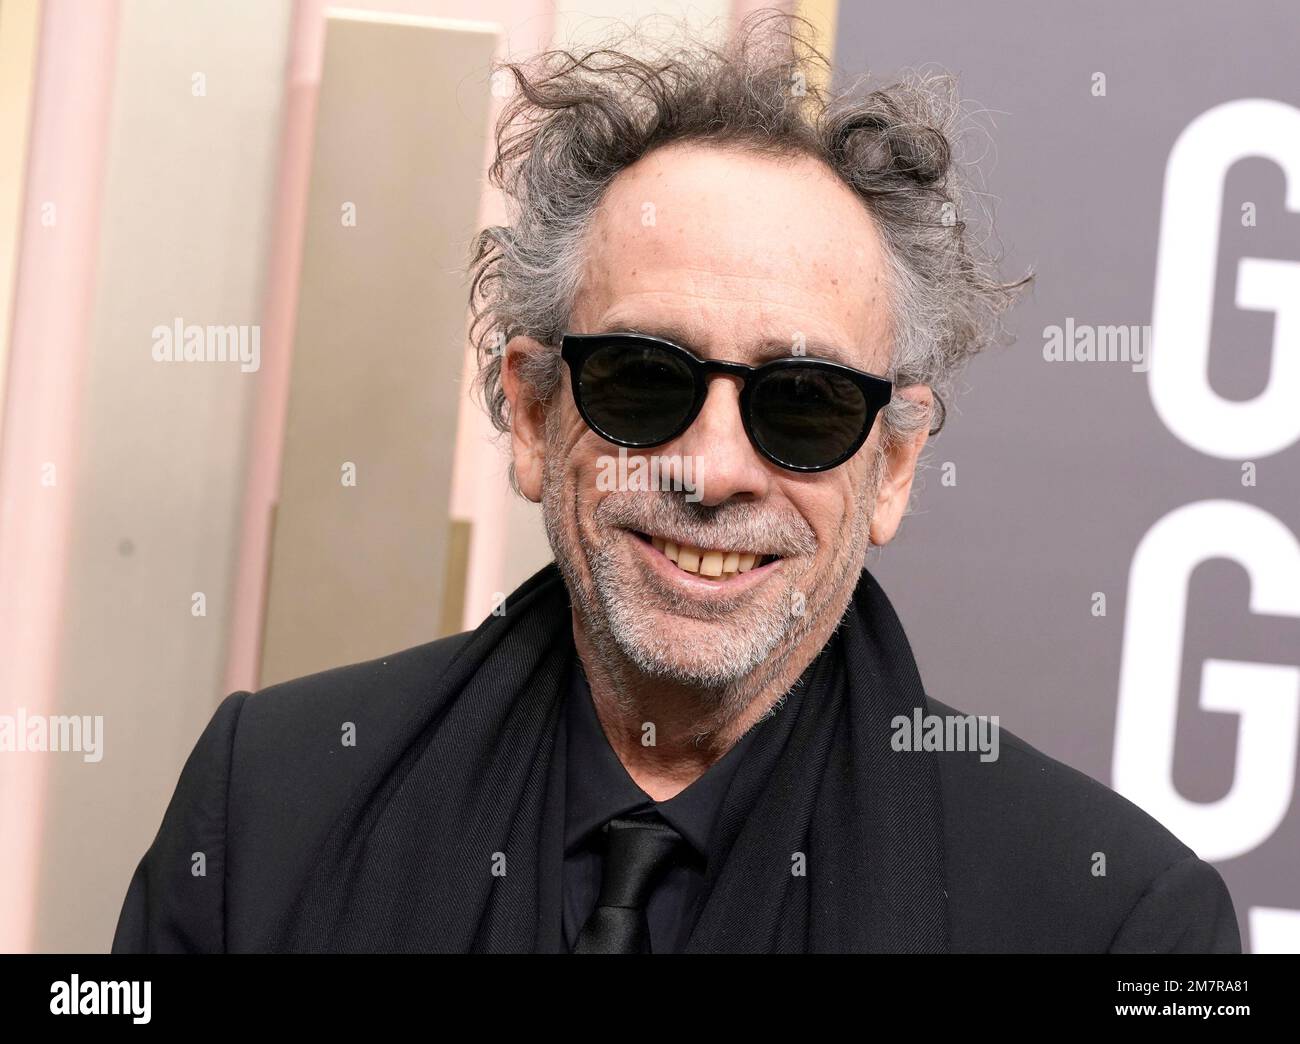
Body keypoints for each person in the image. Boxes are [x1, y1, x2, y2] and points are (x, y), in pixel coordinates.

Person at [112, 12, 1240, 954]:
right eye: (645, 382)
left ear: (891, 468)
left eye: (801, 402)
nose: (710, 468)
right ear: (534, 412)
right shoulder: (264, 808)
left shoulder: (1115, 924)